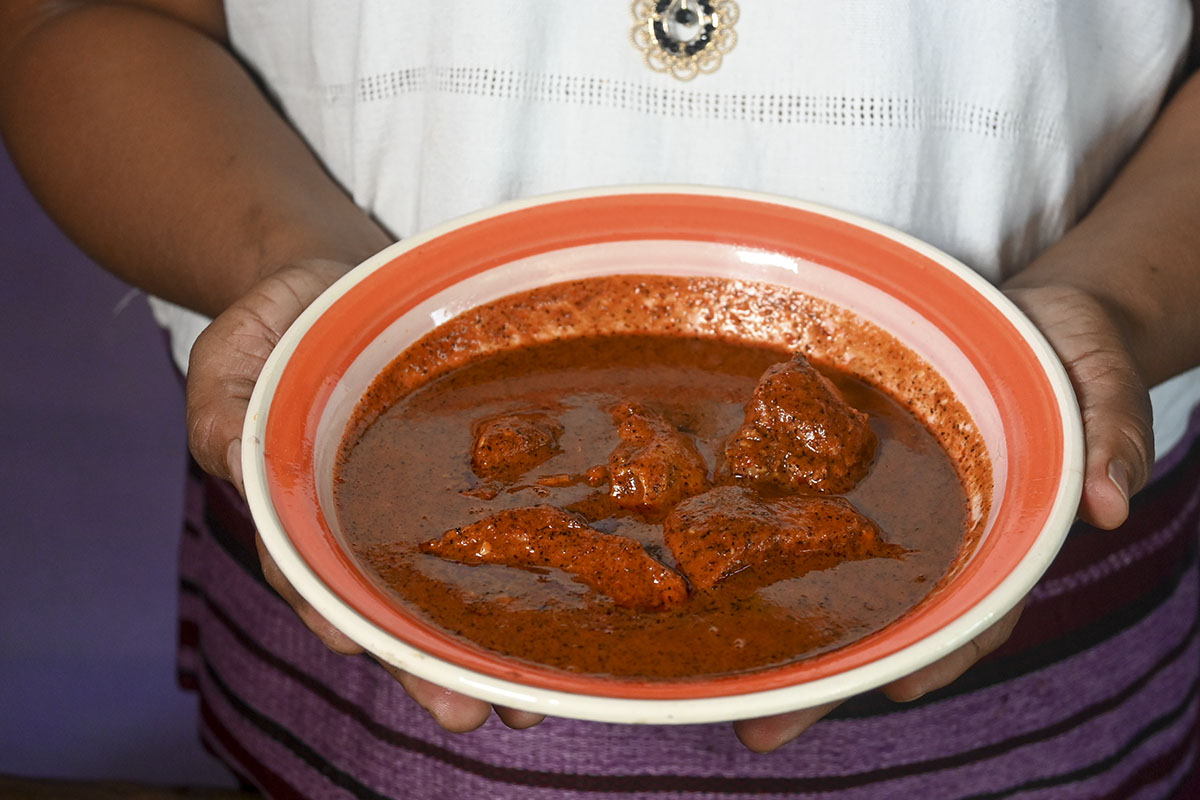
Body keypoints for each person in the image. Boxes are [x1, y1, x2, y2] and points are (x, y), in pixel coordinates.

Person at [3, 1, 1200, 796]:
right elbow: (70, 14)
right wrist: (313, 283)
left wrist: (1115, 303)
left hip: (1046, 587)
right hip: (348, 625)